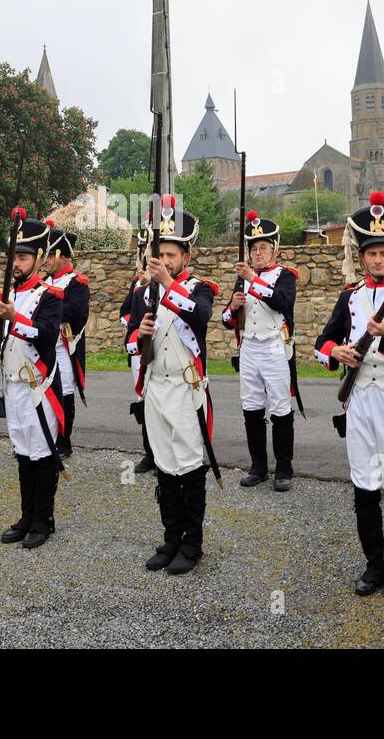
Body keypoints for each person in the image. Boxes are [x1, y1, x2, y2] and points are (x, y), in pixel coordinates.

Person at [315, 192, 384, 602]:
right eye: (372, 254)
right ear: (361, 257)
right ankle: (373, 565)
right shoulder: (349, 297)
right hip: (361, 397)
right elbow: (319, 343)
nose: (378, 261)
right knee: (365, 487)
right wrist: (337, 353)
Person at [125, 197, 219, 575]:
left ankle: (192, 544)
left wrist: (168, 286)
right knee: (164, 467)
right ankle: (170, 538)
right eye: (160, 253)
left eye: (171, 255)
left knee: (189, 467)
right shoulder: (143, 293)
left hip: (186, 389)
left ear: (186, 257)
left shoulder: (199, 288)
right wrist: (139, 335)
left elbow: (203, 317)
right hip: (156, 387)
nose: (164, 261)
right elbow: (130, 340)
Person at [0, 209, 65, 549]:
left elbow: (45, 335)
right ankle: (27, 514)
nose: (17, 262)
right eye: (14, 255)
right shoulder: (8, 295)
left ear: (39, 258)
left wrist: (14, 318)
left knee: (43, 455)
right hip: (13, 386)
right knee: (23, 454)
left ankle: (44, 520)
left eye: (24, 256)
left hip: (38, 387)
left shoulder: (50, 296)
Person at [222, 211, 299, 492]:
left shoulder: (285, 276)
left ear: (274, 249)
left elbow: (281, 302)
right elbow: (225, 319)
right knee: (251, 408)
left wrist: (253, 278)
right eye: (254, 248)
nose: (257, 252)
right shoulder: (243, 280)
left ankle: (284, 468)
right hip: (249, 348)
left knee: (280, 408)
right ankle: (258, 466)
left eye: (263, 248)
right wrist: (231, 308)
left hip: (274, 348)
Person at [43, 222, 89, 458]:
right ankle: (46, 438)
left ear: (61, 256)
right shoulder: (44, 281)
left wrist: (50, 306)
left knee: (64, 393)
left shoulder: (77, 282)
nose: (46, 260)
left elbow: (76, 312)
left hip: (64, 347)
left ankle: (63, 442)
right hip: (43, 346)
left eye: (50, 255)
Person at [121, 230, 155, 474]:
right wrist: (134, 325)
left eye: (148, 250)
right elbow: (125, 312)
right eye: (143, 250)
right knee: (144, 400)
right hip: (140, 348)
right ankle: (149, 452)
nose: (144, 254)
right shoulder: (136, 283)